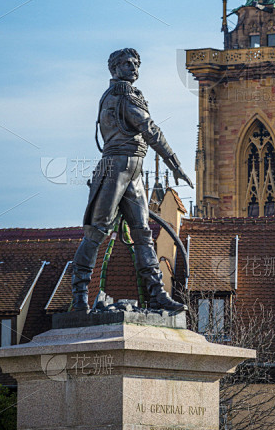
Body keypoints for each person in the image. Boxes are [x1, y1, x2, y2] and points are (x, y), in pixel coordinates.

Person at [71, 48, 192, 313]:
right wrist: (175, 163)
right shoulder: (125, 94)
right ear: (114, 68)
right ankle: (79, 296)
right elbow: (150, 130)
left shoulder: (114, 94)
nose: (133, 67)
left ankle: (157, 294)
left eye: (136, 63)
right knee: (97, 230)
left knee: (142, 233)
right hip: (117, 168)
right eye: (126, 63)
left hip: (132, 170)